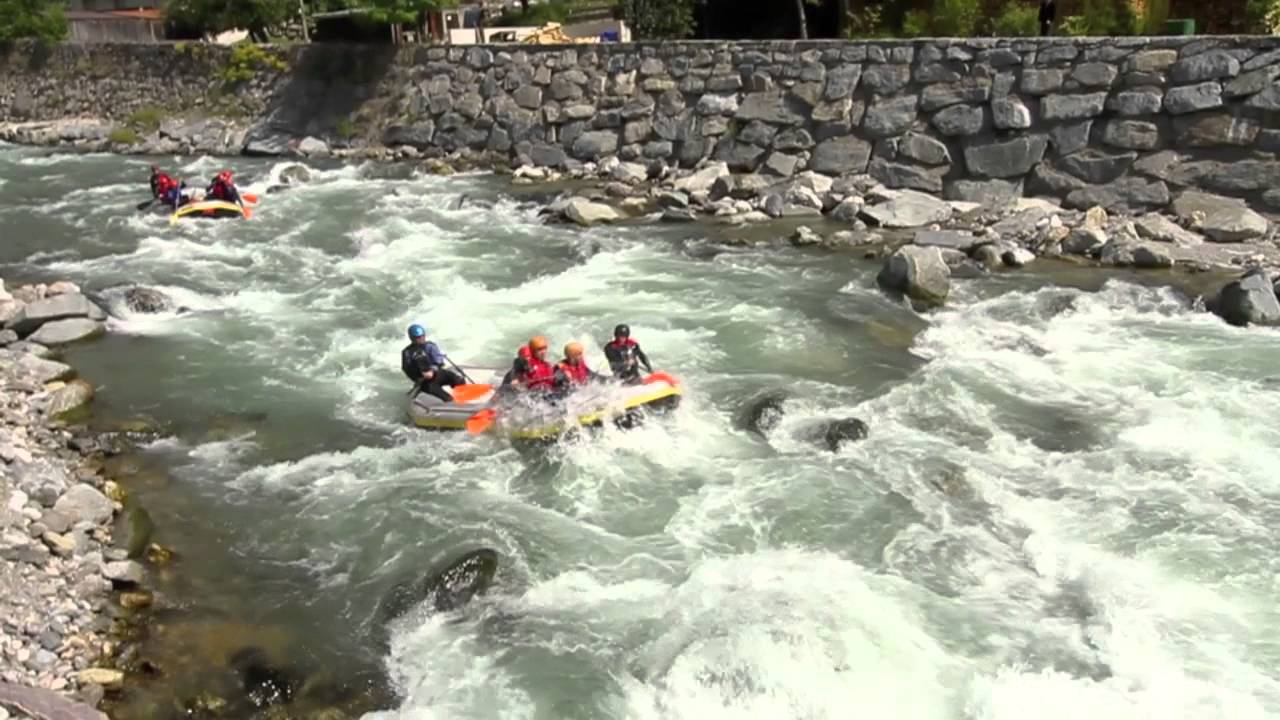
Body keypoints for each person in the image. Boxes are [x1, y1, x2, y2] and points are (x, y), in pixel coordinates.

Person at [401, 324, 465, 402]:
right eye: (417, 338)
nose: (421, 339)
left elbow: (439, 362)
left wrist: (432, 370)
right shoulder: (407, 352)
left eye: (422, 336)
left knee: (459, 380)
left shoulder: (430, 346)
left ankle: (463, 398)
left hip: (437, 374)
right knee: (448, 398)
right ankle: (451, 402)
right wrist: (417, 378)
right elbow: (406, 369)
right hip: (425, 382)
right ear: (411, 338)